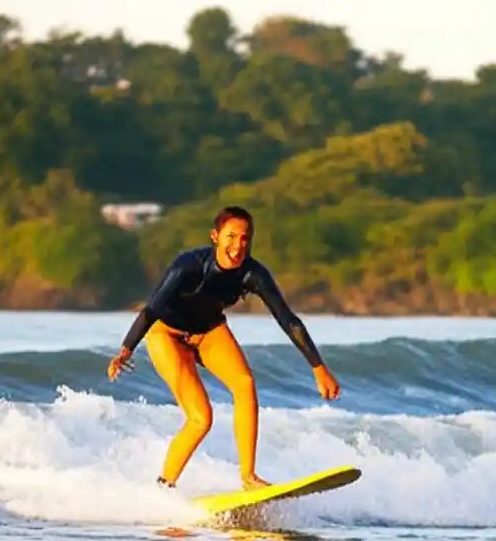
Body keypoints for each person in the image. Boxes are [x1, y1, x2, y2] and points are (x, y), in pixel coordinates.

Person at [107, 205, 341, 490]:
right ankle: (164, 487)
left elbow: (287, 320)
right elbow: (151, 310)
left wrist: (318, 367)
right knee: (201, 418)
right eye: (231, 236)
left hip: (209, 331)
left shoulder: (253, 274)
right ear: (215, 236)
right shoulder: (188, 265)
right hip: (167, 334)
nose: (238, 245)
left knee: (244, 383)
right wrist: (126, 349)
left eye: (245, 238)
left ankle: (248, 478)